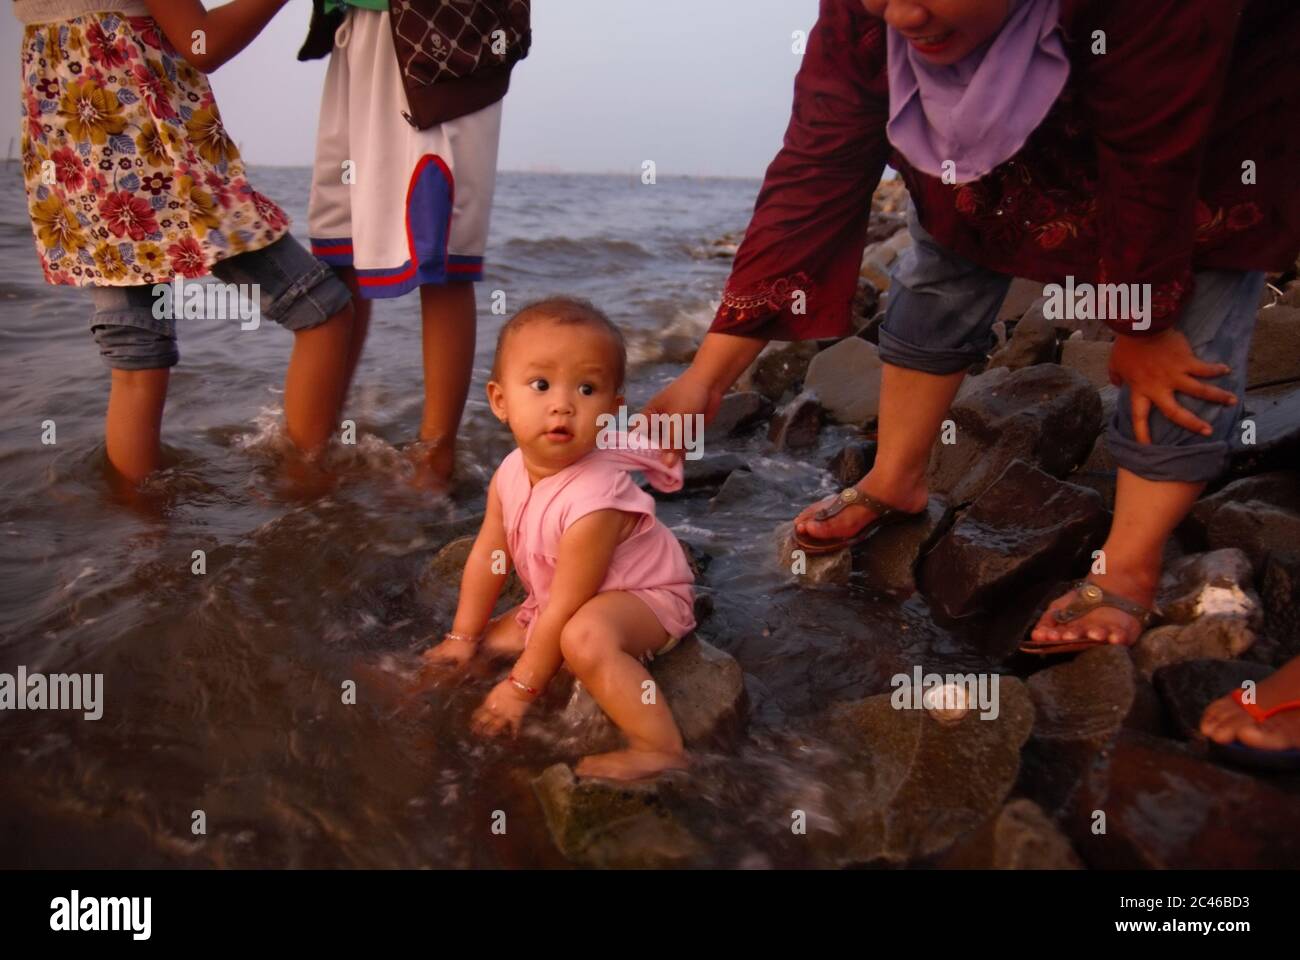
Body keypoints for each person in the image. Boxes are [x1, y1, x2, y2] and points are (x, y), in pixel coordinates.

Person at [643, 0, 1300, 653]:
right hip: (983, 140)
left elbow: (1153, 156)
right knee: (949, 249)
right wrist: (707, 376)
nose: (903, 15)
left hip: (1201, 127)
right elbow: (816, 169)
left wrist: (1143, 323)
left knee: (1187, 332)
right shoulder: (868, 16)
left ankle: (1129, 563)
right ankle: (894, 478)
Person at [16, 0, 356, 487]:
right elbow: (202, 42)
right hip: (144, 140)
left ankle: (143, 540)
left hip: (69, 139)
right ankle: (303, 494)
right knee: (321, 310)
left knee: (136, 359)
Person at [422, 297, 696, 781]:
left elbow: (568, 607)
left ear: (612, 411)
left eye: (586, 388)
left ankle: (659, 747)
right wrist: (461, 635)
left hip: (642, 599)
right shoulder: (509, 471)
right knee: (484, 648)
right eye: (541, 384)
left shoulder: (594, 500)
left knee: (581, 638)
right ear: (501, 400)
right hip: (559, 599)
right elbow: (491, 552)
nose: (562, 404)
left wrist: (521, 688)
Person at [297, 0, 531, 489]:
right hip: (357, 26)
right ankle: (314, 450)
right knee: (341, 247)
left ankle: (437, 452)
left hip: (443, 32)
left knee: (441, 252)